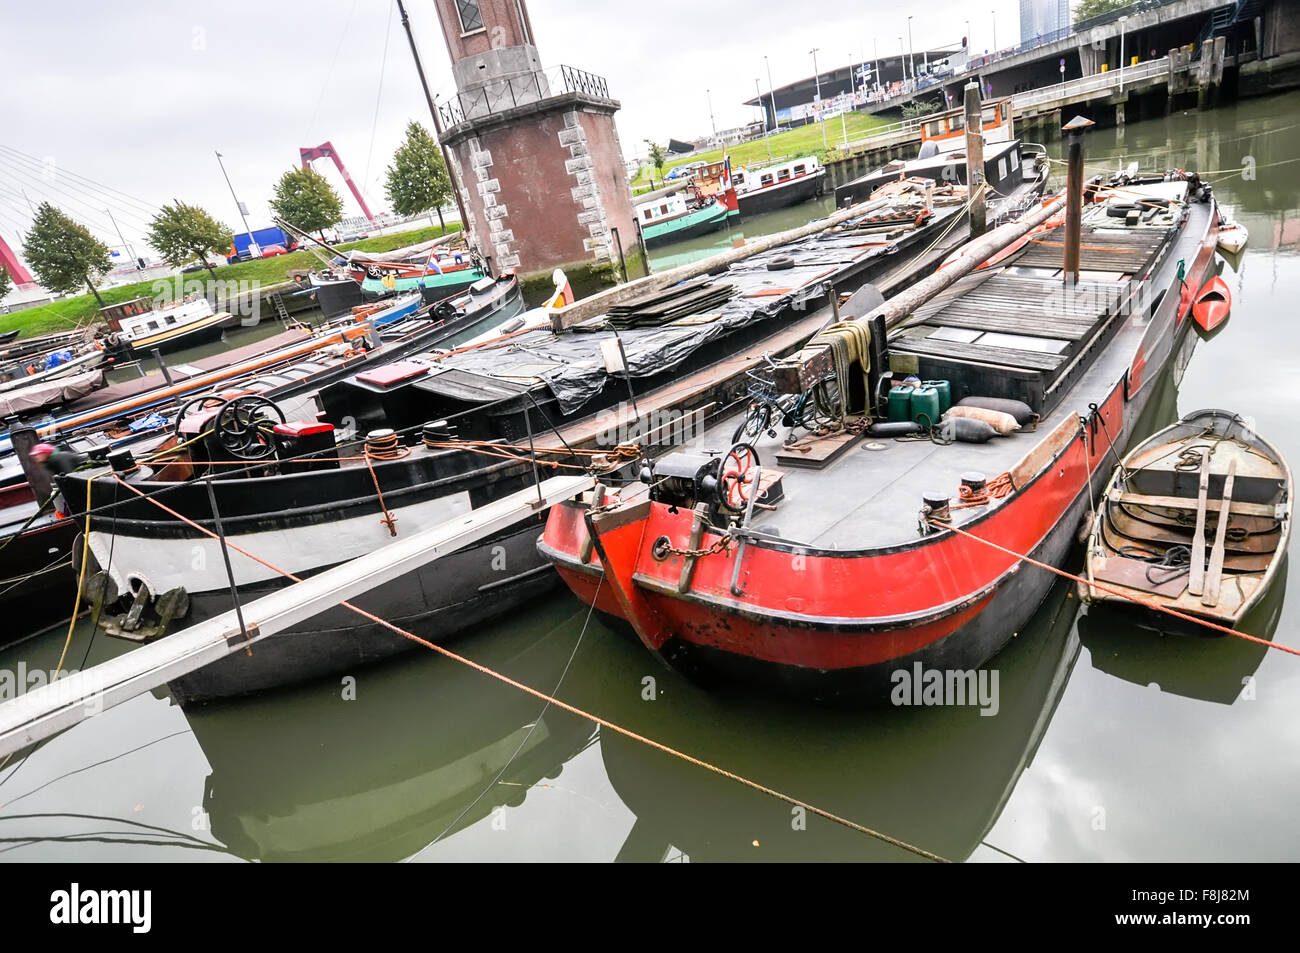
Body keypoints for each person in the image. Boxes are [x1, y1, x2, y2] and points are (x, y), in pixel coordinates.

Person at [29, 443, 89, 517]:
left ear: (46, 453)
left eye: (38, 454)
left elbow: (70, 476)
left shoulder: (60, 458)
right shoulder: (50, 463)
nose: (36, 457)